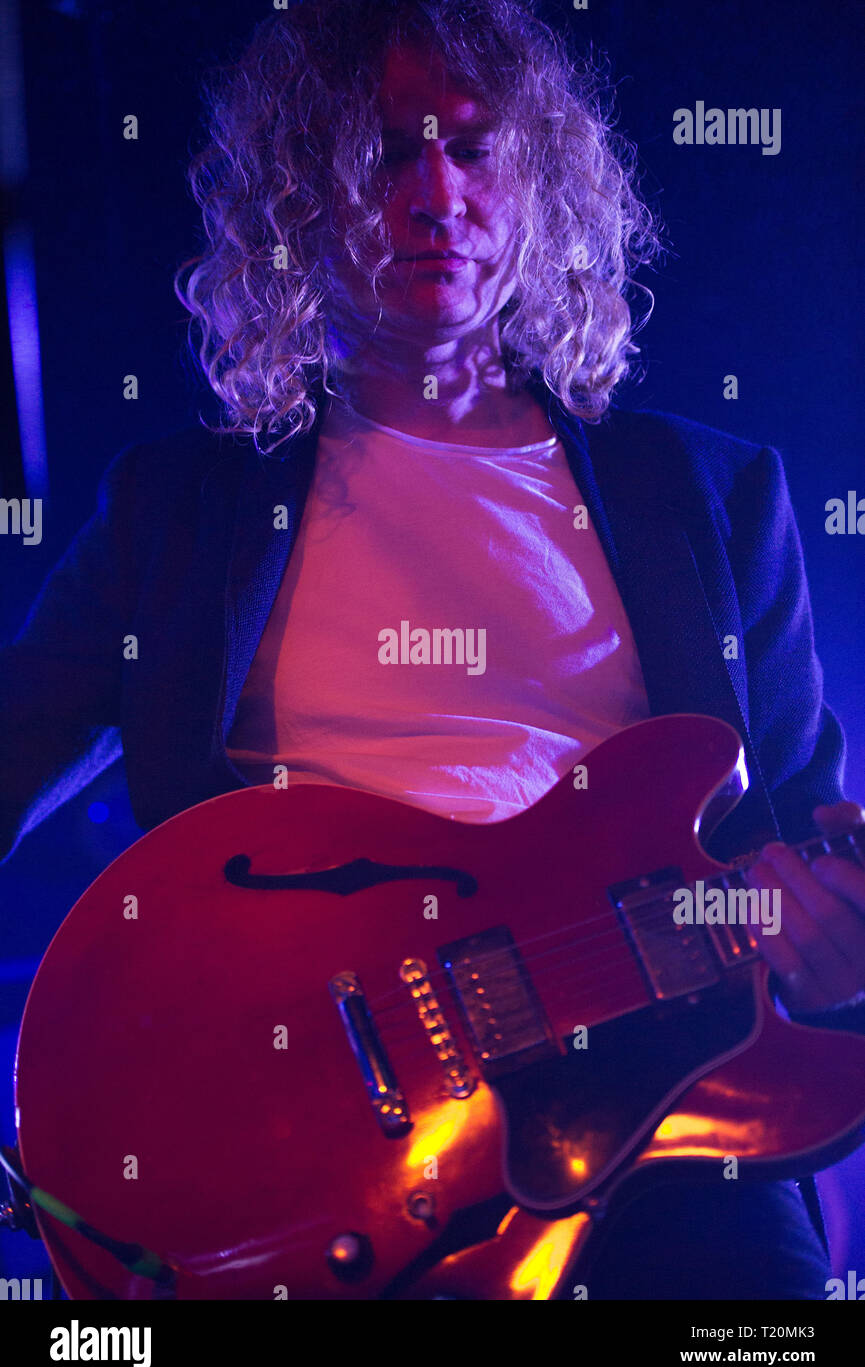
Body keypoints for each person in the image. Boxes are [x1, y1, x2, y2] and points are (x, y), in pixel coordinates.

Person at [2, 0, 865, 1298]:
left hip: (660, 1126)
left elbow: (797, 851)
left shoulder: (709, 492)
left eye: (472, 147)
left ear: (542, 186)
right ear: (301, 191)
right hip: (283, 1143)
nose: (435, 194)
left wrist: (837, 964)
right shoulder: (177, 506)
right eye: (385, 153)